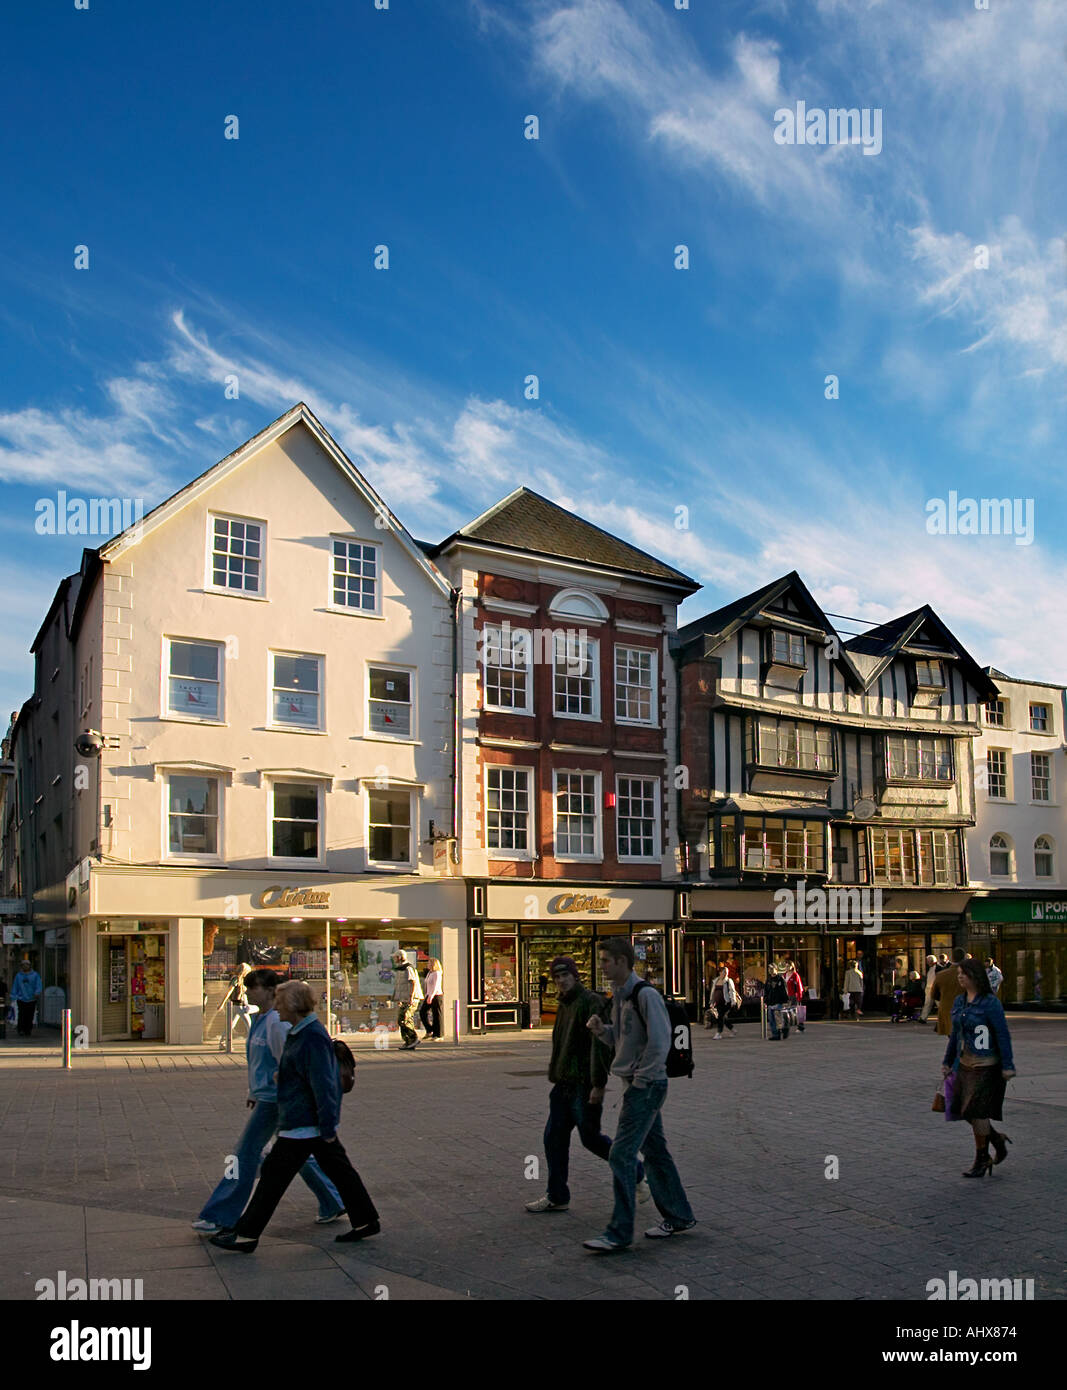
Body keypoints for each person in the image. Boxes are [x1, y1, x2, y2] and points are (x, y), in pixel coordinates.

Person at [211, 979, 380, 1252]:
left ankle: (246, 1234)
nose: (276, 1010)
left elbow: (324, 1084)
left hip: (304, 1124)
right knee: (341, 1173)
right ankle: (366, 1221)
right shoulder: (299, 1032)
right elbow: (302, 1073)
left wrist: (327, 1127)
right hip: (306, 1124)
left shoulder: (311, 1036)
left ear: (292, 1005)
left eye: (279, 1004)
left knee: (273, 1178)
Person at [192, 969, 343, 1235]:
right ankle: (333, 1200)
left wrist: (277, 1092)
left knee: (244, 1155)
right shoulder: (263, 1018)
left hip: (276, 1100)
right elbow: (263, 1062)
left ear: (271, 990)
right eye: (248, 987)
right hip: (268, 1096)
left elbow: (288, 1063)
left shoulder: (276, 1022)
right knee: (298, 1155)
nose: (249, 991)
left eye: (254, 987)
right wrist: (255, 1089)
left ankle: (221, 1215)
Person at [583, 938, 696, 1252]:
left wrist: (642, 1081)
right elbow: (624, 1043)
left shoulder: (644, 994)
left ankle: (618, 1233)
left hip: (645, 1086)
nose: (602, 966)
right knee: (655, 1150)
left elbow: (661, 1042)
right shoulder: (620, 996)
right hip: (637, 1083)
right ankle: (679, 1215)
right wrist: (601, 1031)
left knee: (621, 1154)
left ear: (622, 961)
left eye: (606, 960)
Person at [525, 956, 648, 1214]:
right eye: (557, 977)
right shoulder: (564, 1004)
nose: (560, 981)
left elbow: (600, 1047)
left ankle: (637, 1172)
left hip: (583, 1085)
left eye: (565, 976)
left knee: (591, 1138)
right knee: (553, 1138)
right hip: (563, 1084)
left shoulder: (590, 1002)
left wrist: (598, 1084)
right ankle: (557, 1195)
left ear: (575, 975)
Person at [942, 958, 1016, 1177]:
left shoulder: (990, 1003)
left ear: (975, 976)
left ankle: (981, 1159)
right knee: (964, 1111)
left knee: (977, 1111)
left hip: (986, 1065)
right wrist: (947, 1062)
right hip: (963, 1063)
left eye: (964, 973)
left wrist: (1008, 1065)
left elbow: (1002, 1034)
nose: (960, 976)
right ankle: (996, 1139)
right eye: (959, 974)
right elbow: (956, 1035)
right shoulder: (959, 1002)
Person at [932, 949, 969, 1036]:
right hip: (966, 1010)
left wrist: (945, 997)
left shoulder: (941, 975)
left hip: (947, 1010)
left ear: (952, 958)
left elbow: (934, 994)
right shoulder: (971, 974)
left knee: (953, 1037)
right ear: (964, 958)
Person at [392, 950, 424, 1050]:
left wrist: (411, 997)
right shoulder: (400, 969)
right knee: (401, 1019)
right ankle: (408, 1041)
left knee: (406, 1018)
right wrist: (399, 998)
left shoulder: (408, 968)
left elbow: (413, 982)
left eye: (395, 957)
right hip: (404, 998)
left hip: (412, 998)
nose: (394, 959)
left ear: (400, 957)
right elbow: (400, 985)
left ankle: (413, 1038)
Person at [11, 961, 42, 1037]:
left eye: (27, 965)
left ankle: (28, 1030)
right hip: (21, 998)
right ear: (21, 966)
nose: (25, 966)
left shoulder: (35, 975)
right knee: (21, 1014)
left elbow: (38, 984)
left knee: (30, 1015)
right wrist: (13, 996)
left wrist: (37, 992)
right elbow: (15, 986)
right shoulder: (18, 976)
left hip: (32, 998)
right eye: (23, 965)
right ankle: (21, 1029)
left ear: (29, 966)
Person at [710, 964, 738, 1038]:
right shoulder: (716, 981)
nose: (725, 973)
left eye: (726, 972)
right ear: (720, 972)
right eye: (724, 972)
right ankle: (733, 1029)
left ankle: (719, 1032)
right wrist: (712, 1001)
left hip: (726, 1002)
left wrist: (733, 1001)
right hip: (718, 1002)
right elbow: (713, 992)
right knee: (723, 1017)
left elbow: (732, 991)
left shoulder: (729, 981)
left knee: (720, 1016)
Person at [420, 957, 444, 1040]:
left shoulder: (437, 973)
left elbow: (436, 986)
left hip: (436, 995)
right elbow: (428, 986)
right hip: (429, 995)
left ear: (433, 964)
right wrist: (427, 995)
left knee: (436, 1015)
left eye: (429, 963)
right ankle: (430, 1030)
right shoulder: (430, 973)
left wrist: (431, 996)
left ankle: (438, 1035)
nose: (427, 964)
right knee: (422, 1012)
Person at [763, 964, 789, 1039]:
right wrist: (765, 1000)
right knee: (771, 1020)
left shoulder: (780, 979)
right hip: (770, 1002)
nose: (770, 970)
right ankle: (775, 1035)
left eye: (772, 968)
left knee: (779, 1019)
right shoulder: (768, 980)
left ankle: (784, 1030)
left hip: (778, 1002)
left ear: (776, 969)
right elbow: (766, 991)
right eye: (769, 968)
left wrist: (785, 1001)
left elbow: (784, 990)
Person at [784, 959, 805, 1032]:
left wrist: (799, 997)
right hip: (787, 995)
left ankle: (801, 1026)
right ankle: (787, 1026)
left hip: (794, 995)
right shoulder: (785, 974)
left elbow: (799, 987)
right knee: (788, 1011)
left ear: (791, 966)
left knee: (798, 1011)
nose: (786, 967)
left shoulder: (795, 975)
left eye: (788, 966)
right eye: (785, 966)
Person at [920, 954, 939, 1023]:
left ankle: (943, 1017)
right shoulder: (931, 968)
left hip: (934, 988)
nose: (927, 963)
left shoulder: (937, 968)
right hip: (929, 988)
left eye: (928, 961)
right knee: (928, 1003)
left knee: (939, 1003)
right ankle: (923, 1017)